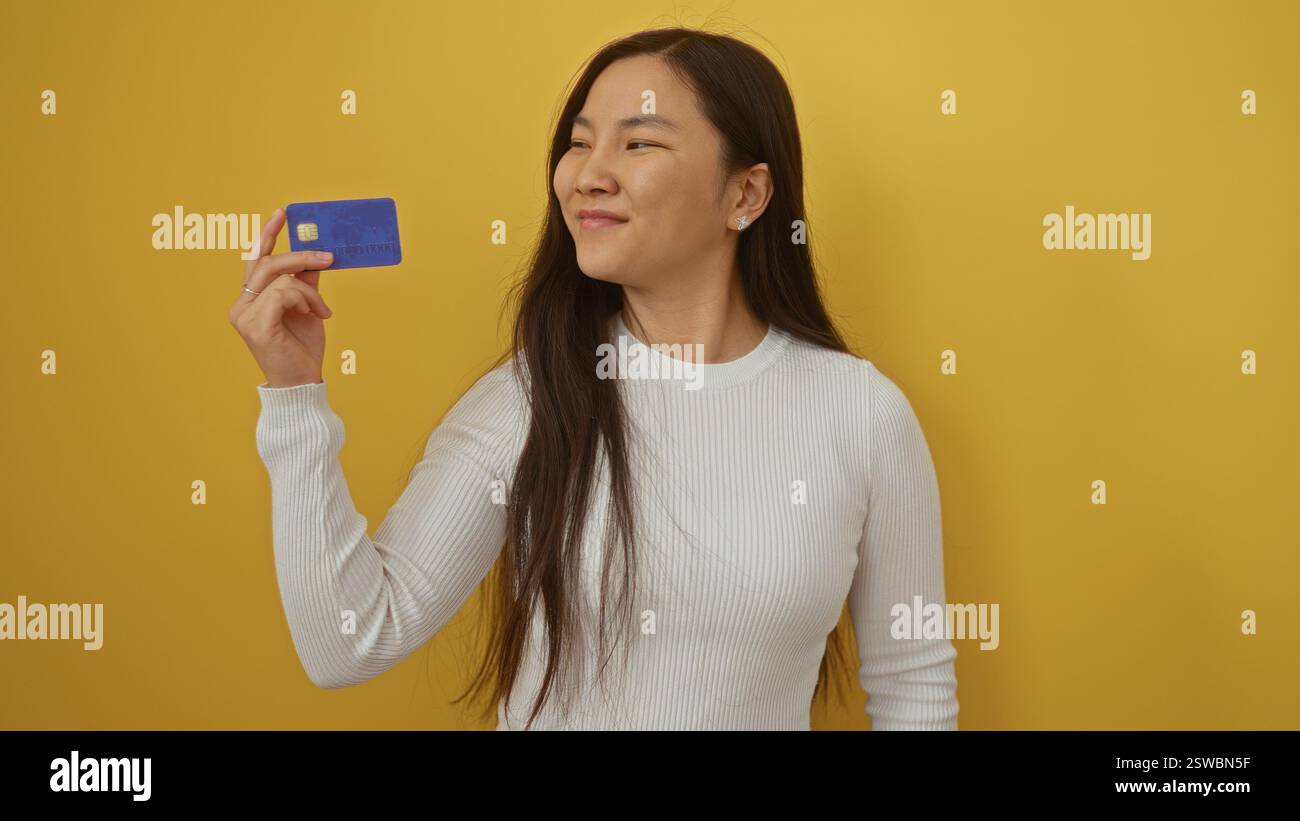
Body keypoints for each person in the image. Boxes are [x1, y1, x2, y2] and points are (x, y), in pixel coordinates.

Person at [228, 27, 959, 730]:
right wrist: (295, 397)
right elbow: (349, 641)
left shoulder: (860, 412)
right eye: (579, 143)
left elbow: (913, 686)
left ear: (747, 195)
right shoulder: (531, 397)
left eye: (638, 141)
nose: (588, 174)